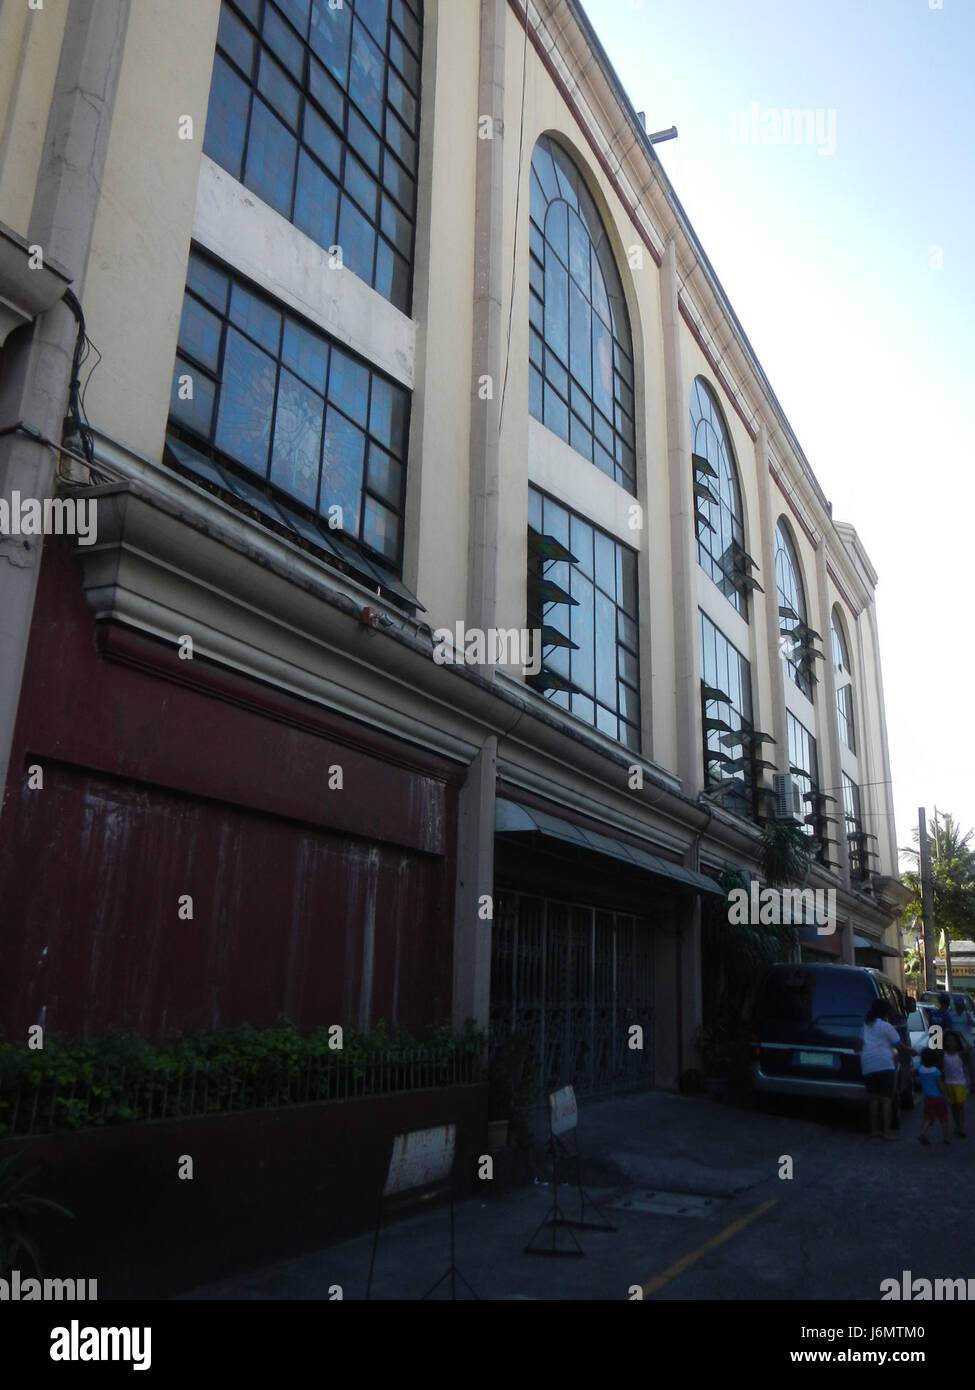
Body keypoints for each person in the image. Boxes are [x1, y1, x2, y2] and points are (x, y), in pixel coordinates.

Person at [859, 999, 912, 1140]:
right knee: (886, 1099)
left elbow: (858, 1044)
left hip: (867, 1064)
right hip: (884, 1064)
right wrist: (914, 1052)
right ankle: (887, 1132)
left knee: (873, 1099)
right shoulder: (886, 1026)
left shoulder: (865, 1025)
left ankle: (874, 1130)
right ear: (886, 1012)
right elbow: (900, 1046)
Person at [916, 1047, 951, 1145]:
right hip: (938, 1097)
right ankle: (945, 1138)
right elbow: (940, 1085)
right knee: (943, 1116)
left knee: (928, 1117)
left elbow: (913, 1070)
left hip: (927, 1097)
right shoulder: (936, 1071)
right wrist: (946, 1097)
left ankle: (923, 1133)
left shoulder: (920, 1068)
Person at [942, 1030, 968, 1138]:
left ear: (957, 1043)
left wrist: (962, 1035)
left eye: (953, 1041)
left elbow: (969, 1047)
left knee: (960, 1106)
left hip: (959, 1083)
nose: (951, 1044)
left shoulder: (959, 1054)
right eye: (948, 1041)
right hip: (949, 1083)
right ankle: (957, 1125)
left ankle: (961, 1127)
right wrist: (943, 1034)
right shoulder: (944, 1054)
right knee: (953, 1107)